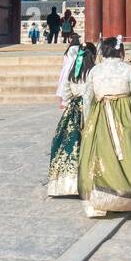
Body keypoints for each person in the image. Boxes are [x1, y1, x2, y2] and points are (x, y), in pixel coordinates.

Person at [78, 38, 131, 217]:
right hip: (127, 113)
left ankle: (101, 199)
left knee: (102, 153)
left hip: (100, 114)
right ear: (120, 51)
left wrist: (86, 120)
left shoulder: (95, 70)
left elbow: (87, 98)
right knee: (130, 149)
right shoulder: (128, 69)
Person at [49, 41, 96, 197]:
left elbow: (65, 94)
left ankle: (67, 182)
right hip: (91, 108)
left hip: (74, 110)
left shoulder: (72, 74)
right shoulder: (93, 72)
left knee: (68, 143)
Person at [56, 35, 81, 100]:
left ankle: (64, 99)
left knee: (65, 83)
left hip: (69, 67)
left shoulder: (72, 48)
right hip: (77, 66)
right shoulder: (80, 48)